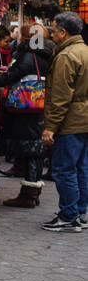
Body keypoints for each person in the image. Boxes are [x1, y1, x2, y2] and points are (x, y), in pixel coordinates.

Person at [0, 20, 53, 208]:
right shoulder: (48, 54)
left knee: (29, 150)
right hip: (40, 107)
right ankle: (33, 192)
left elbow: (13, 75)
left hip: (25, 109)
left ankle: (28, 196)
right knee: (35, 150)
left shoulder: (28, 54)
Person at [41, 12, 88, 232]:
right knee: (81, 168)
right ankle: (79, 212)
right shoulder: (85, 51)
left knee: (64, 169)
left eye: (53, 29)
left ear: (63, 31)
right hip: (84, 119)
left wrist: (51, 127)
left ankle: (69, 215)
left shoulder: (67, 56)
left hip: (71, 121)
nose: (51, 33)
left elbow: (60, 97)